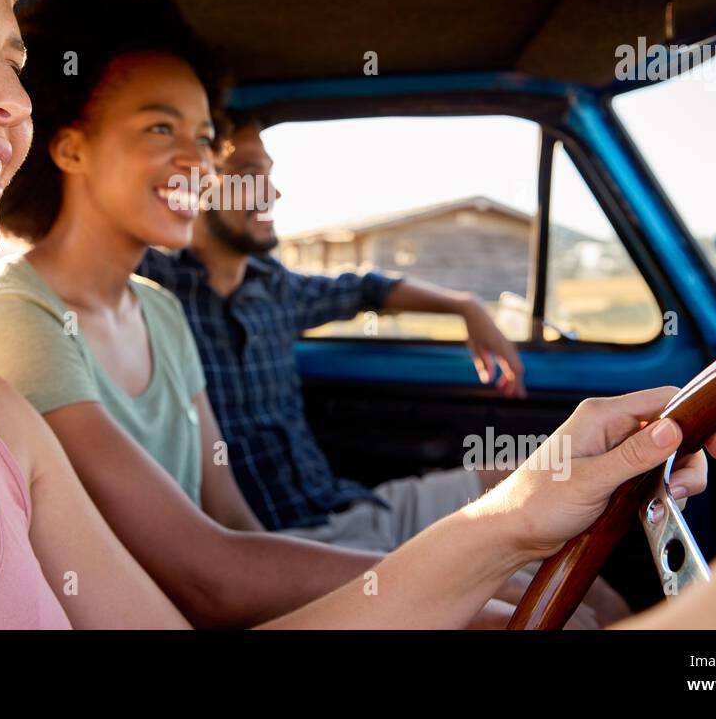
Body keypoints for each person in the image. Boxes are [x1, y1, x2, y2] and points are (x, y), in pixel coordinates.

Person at [0, 0, 716, 627]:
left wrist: (454, 569)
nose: (199, 160)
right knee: (548, 608)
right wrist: (449, 577)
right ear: (69, 147)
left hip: (232, 587)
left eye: (206, 136)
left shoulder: (158, 312)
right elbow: (206, 575)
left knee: (569, 596)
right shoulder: (18, 319)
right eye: (159, 126)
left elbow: (238, 527)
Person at [139, 117, 531, 550]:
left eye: (269, 175)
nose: (273, 193)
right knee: (533, 600)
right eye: (251, 174)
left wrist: (465, 306)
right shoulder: (150, 291)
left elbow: (367, 288)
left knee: (545, 480)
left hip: (349, 508)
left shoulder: (277, 289)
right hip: (292, 545)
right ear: (199, 181)